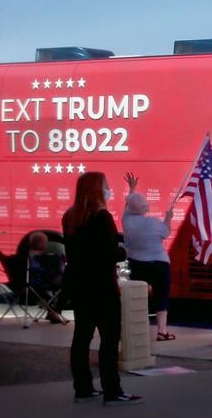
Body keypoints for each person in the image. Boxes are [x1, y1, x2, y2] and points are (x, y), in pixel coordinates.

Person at [62, 172, 142, 406]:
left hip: (79, 286)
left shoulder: (70, 217)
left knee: (81, 339)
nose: (109, 190)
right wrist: (123, 251)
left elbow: (76, 253)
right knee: (109, 339)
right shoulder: (102, 217)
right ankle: (112, 391)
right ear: (98, 190)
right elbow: (108, 253)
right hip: (102, 286)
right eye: (106, 186)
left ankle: (83, 388)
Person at [121, 172, 175, 341]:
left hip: (137, 264)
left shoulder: (126, 221)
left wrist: (131, 189)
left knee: (138, 297)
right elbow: (165, 233)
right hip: (159, 264)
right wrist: (168, 218)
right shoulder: (154, 223)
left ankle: (136, 329)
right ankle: (162, 331)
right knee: (161, 296)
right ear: (145, 208)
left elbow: (129, 204)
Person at [26, 231, 68, 325]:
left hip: (32, 283)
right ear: (41, 243)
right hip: (40, 283)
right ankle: (56, 312)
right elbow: (44, 272)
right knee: (66, 287)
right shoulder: (40, 257)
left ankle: (53, 313)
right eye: (45, 242)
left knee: (64, 286)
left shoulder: (28, 254)